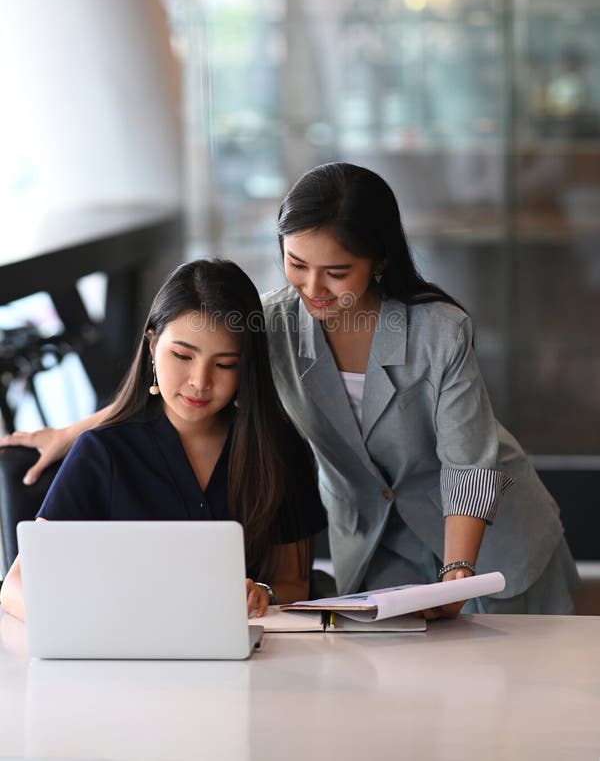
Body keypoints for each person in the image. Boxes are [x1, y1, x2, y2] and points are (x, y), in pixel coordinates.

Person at [1, 164, 580, 616]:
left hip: (489, 544)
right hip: (379, 551)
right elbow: (171, 380)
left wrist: (460, 568)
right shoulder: (271, 323)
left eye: (336, 273)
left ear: (378, 262)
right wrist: (73, 431)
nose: (312, 289)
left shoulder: (438, 333)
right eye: (296, 264)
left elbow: (469, 465)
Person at [0, 259, 326, 621]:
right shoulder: (103, 452)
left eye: (224, 364)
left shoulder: (276, 448)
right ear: (153, 345)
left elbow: (295, 583)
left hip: (249, 659)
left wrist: (262, 594)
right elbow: (16, 586)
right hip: (123, 661)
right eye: (183, 356)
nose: (200, 382)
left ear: (246, 366)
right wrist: (89, 625)